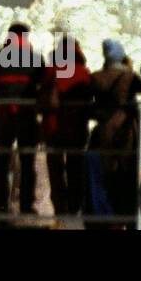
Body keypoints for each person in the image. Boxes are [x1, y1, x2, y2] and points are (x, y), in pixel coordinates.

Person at [0, 23, 43, 217]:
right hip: (26, 115)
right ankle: (26, 206)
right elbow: (43, 79)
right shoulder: (35, 59)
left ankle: (0, 205)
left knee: (1, 161)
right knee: (27, 161)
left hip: (3, 115)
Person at [88, 39, 141, 221]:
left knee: (107, 168)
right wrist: (128, 69)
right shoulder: (129, 77)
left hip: (105, 127)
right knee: (127, 168)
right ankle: (126, 210)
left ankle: (109, 211)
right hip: (126, 126)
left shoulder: (96, 77)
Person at [41, 35, 92, 216]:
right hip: (76, 129)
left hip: (52, 128)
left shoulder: (50, 70)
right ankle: (75, 206)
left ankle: (59, 207)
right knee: (75, 168)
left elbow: (41, 96)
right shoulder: (83, 73)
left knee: (55, 170)